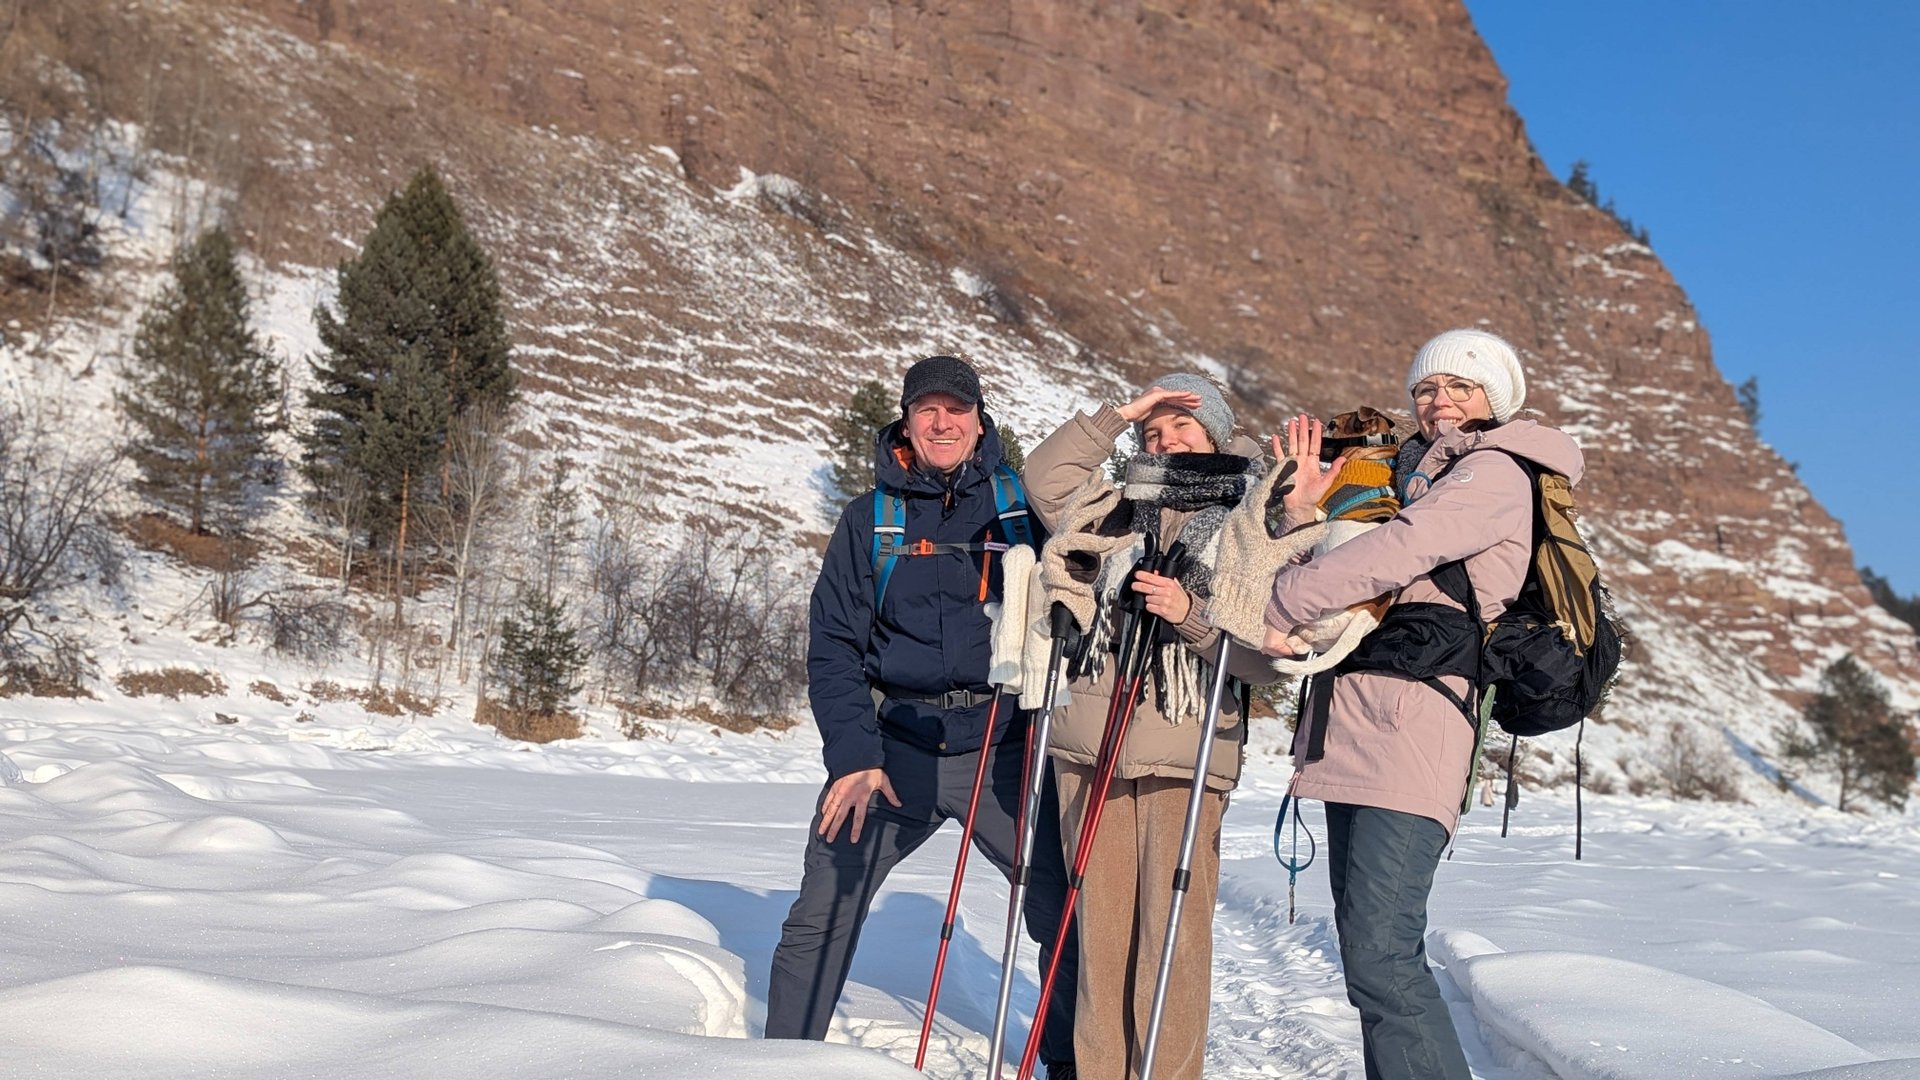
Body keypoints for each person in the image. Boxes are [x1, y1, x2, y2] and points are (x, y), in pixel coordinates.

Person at [1261, 328, 1584, 1080]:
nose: (1438, 402)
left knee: (1384, 954)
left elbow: (1402, 550)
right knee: (1368, 958)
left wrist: (1287, 598)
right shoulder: (1412, 475)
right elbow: (1350, 562)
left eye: (1459, 388)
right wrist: (1306, 516)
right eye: (1426, 389)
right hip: (1353, 724)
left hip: (1416, 728)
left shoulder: (1496, 470)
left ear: (1496, 399)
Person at [765, 355, 1079, 1079]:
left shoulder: (1022, 510)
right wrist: (852, 756)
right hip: (892, 749)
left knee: (1066, 914)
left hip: (1003, 751)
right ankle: (780, 1063)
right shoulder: (867, 520)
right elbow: (834, 649)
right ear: (905, 420)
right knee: (819, 912)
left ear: (979, 420)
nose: (943, 423)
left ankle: (1066, 1063)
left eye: (956, 410)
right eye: (927, 410)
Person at [1022, 373, 1280, 1080]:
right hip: (1090, 749)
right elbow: (1044, 477)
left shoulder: (1253, 522)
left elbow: (1268, 658)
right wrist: (1120, 414)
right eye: (1154, 434)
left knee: (1174, 943)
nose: (1166, 442)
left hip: (1187, 756)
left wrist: (1189, 616)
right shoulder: (1111, 511)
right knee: (1100, 941)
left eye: (1183, 429)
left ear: (1218, 436)